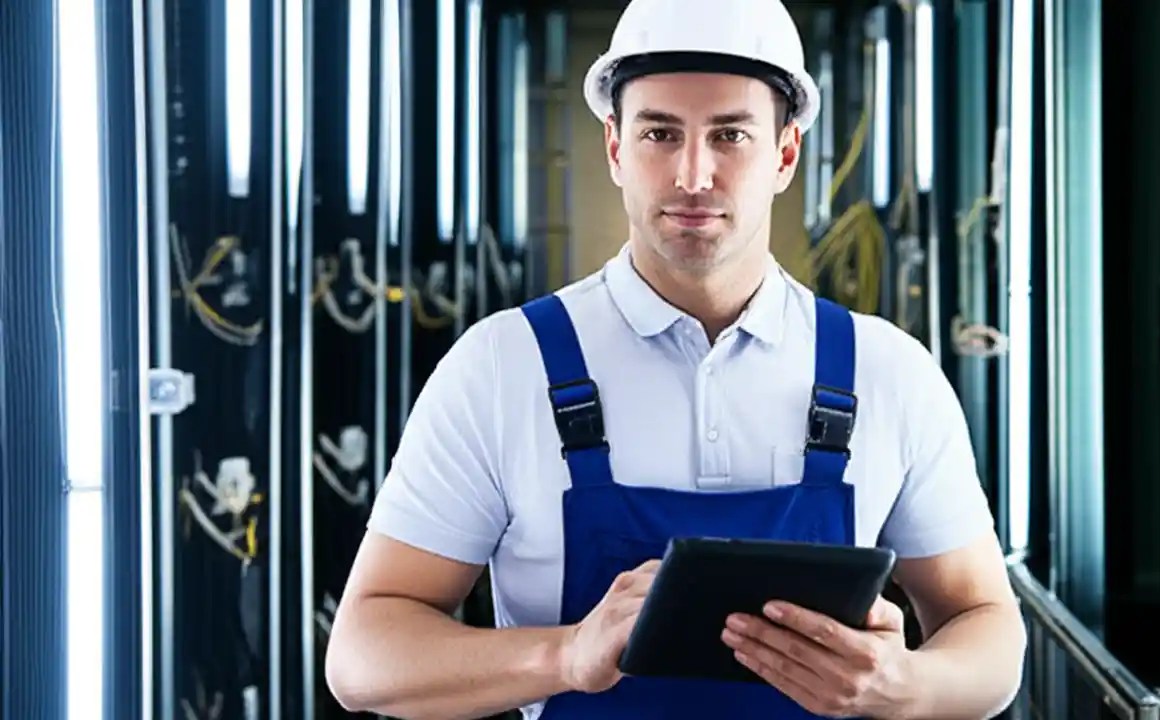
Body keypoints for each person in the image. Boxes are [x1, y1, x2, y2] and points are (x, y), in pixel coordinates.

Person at [325, 0, 1027, 717]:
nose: (694, 175)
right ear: (615, 148)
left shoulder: (887, 373)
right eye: (660, 133)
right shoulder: (503, 367)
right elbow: (361, 656)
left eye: (731, 135)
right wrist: (563, 655)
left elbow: (989, 629)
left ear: (785, 155)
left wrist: (903, 684)